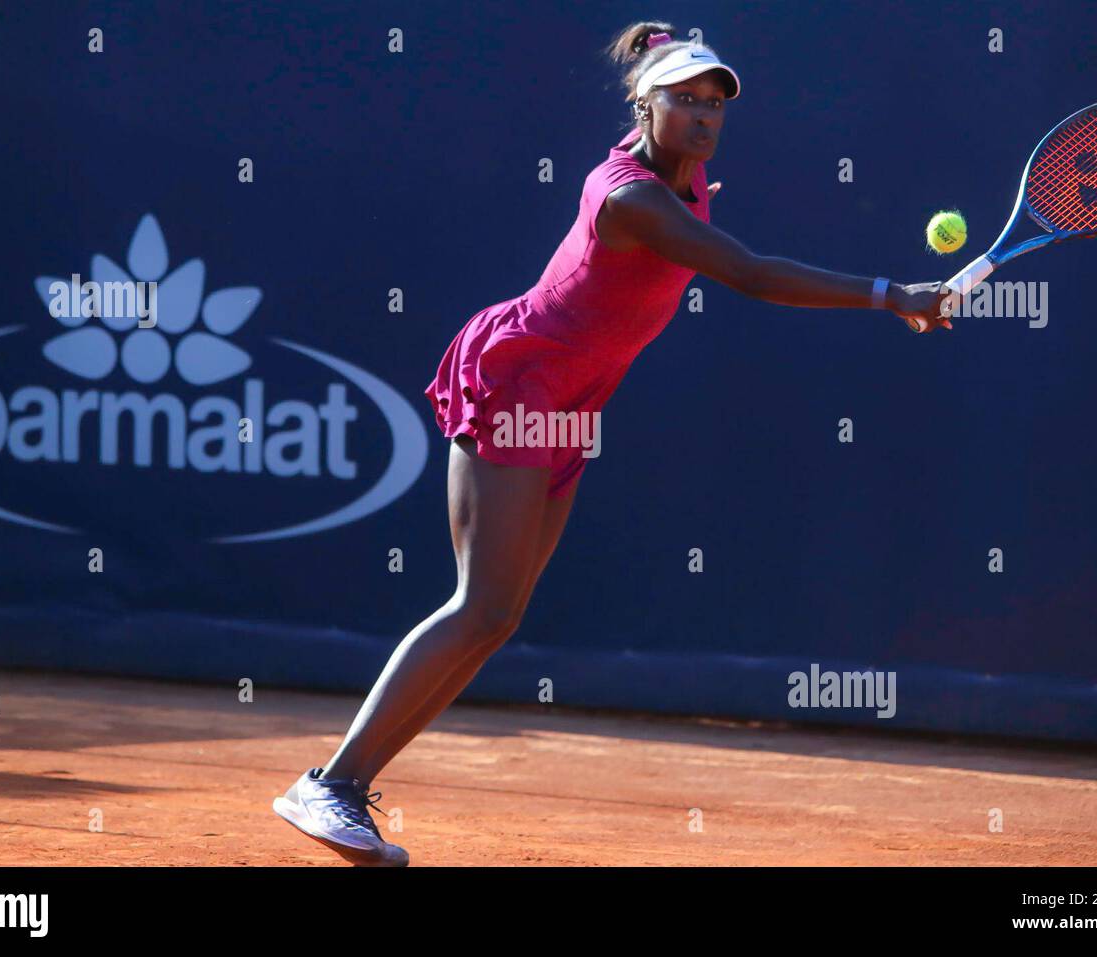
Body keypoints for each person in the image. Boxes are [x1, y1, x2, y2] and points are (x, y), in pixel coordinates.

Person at [272, 21, 950, 866]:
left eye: (715, 105)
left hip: (575, 399)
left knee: (499, 615)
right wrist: (892, 295)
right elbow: (748, 271)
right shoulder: (628, 196)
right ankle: (329, 783)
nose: (705, 120)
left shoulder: (686, 174)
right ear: (645, 102)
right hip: (521, 380)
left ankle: (345, 786)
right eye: (687, 101)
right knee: (477, 604)